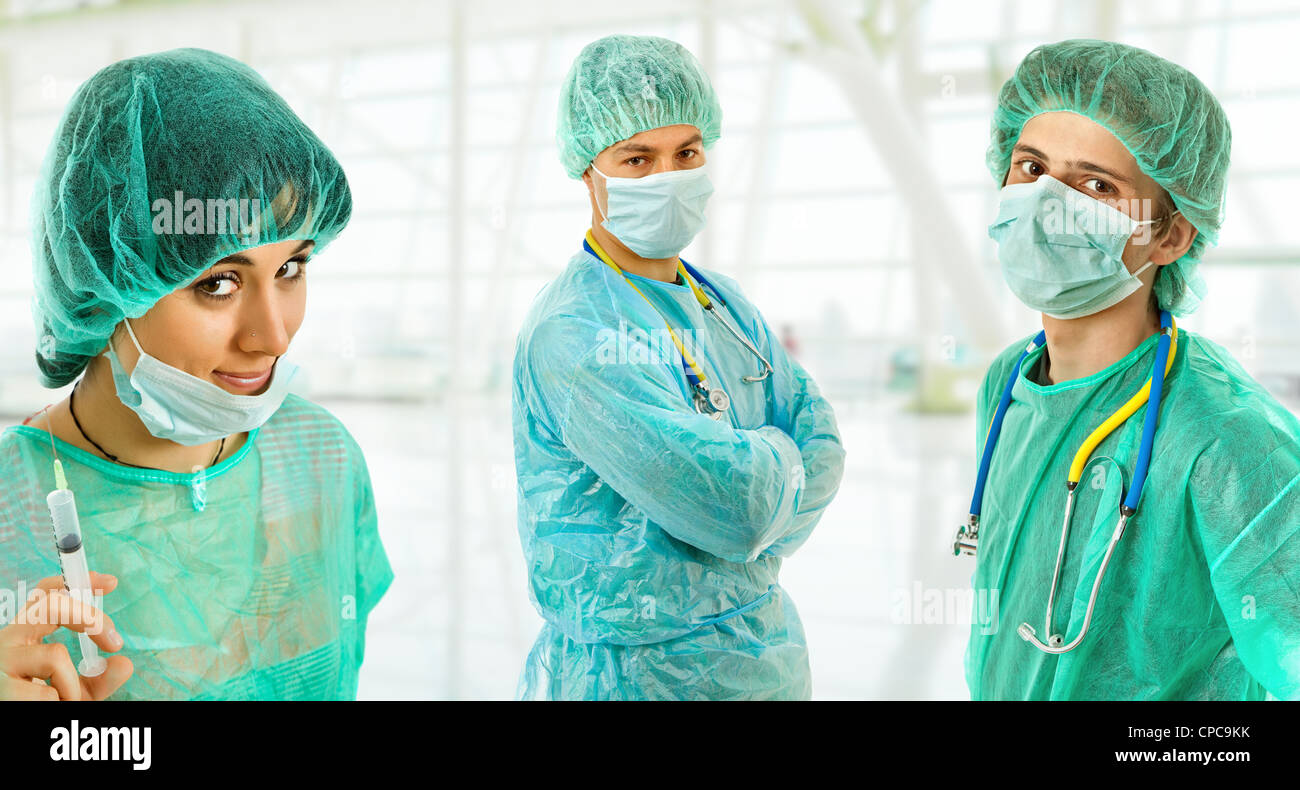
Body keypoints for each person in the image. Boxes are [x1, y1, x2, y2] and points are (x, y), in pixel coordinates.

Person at [0, 48, 393, 700]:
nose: (274, 336)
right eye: (218, 283)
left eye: (291, 268)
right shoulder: (8, 506)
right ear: (105, 279)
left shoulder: (321, 455)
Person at [511, 34, 846, 701]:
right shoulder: (576, 332)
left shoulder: (723, 303)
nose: (667, 177)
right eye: (638, 159)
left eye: (686, 153)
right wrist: (769, 472)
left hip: (765, 659)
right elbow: (740, 513)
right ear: (588, 171)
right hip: (631, 676)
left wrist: (754, 479)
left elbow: (827, 449)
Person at [964, 39, 1300, 700]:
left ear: (1171, 235)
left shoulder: (1225, 435)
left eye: (1097, 185)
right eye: (1031, 167)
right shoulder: (1009, 384)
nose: (1046, 201)